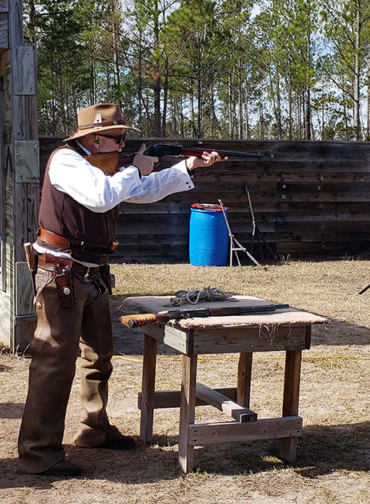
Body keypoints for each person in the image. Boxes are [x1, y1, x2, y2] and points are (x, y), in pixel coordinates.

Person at [17, 103, 225, 476]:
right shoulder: (67, 161)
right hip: (61, 274)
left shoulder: (108, 169)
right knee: (54, 363)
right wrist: (135, 167)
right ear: (95, 138)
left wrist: (188, 167)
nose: (123, 143)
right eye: (117, 138)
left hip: (91, 273)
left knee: (99, 357)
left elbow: (141, 190)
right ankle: (38, 452)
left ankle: (94, 430)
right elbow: (103, 196)